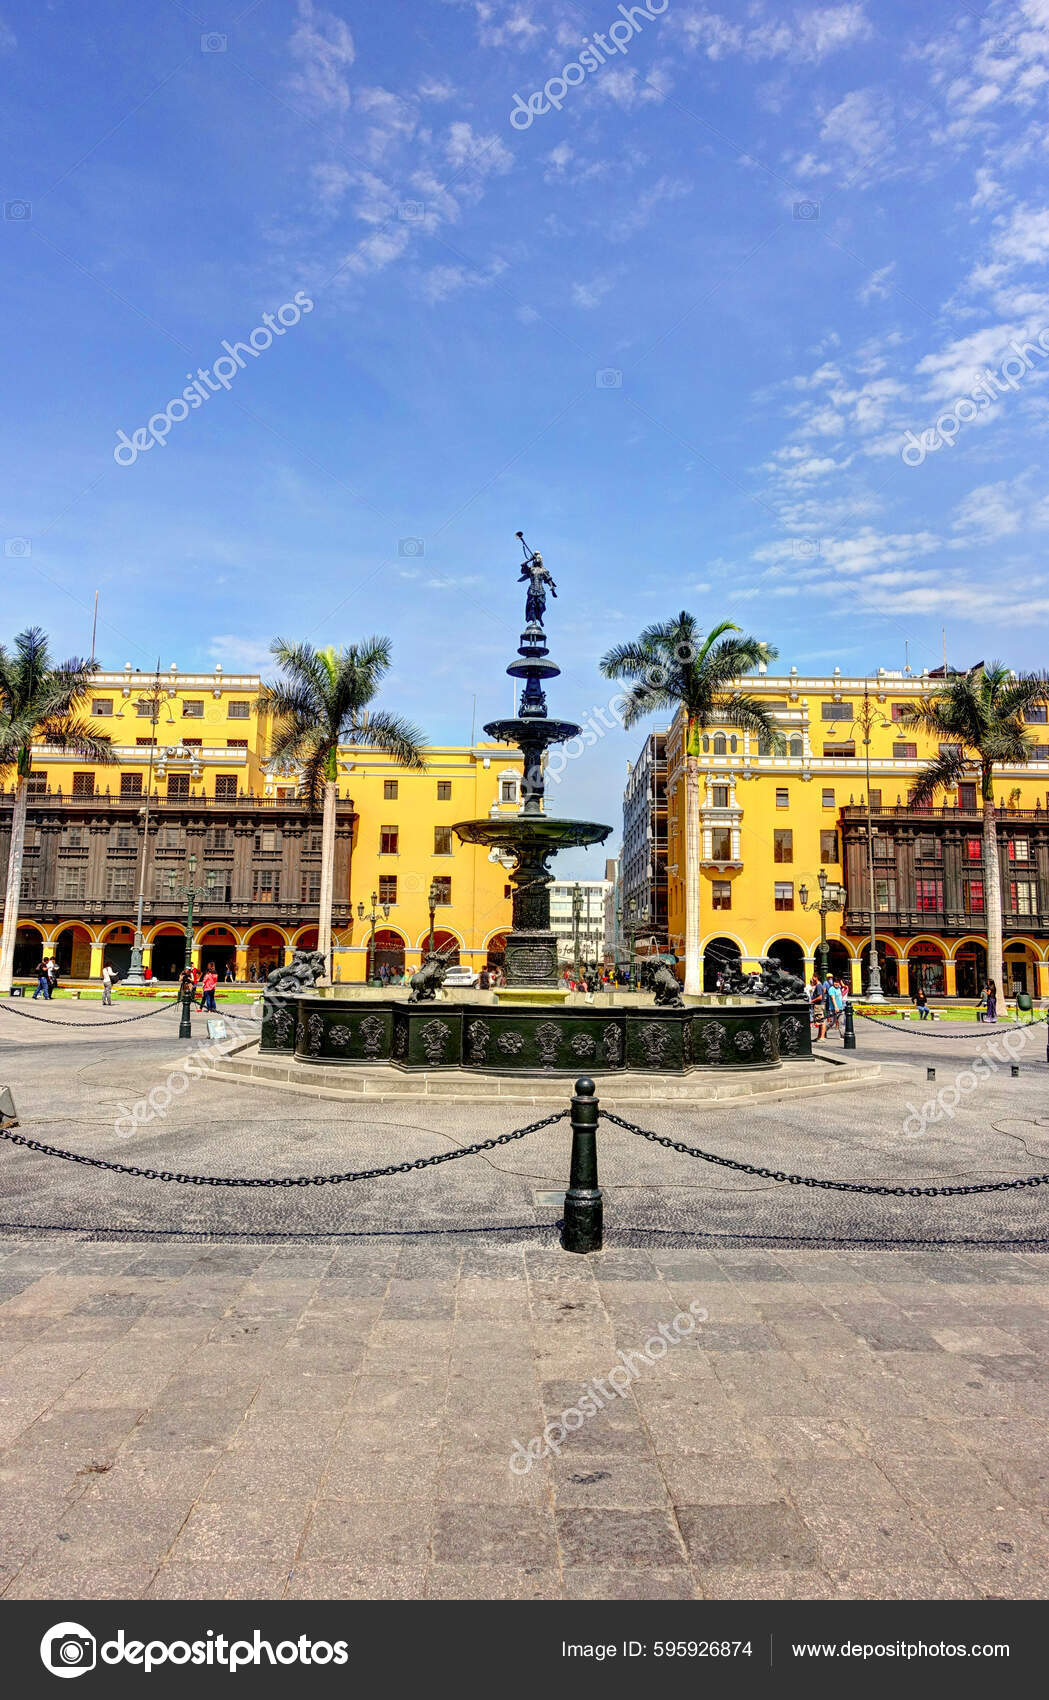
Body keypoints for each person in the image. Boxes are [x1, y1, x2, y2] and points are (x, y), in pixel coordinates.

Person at [809, 974, 827, 1042]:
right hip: (819, 1005)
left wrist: (812, 1001)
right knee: (819, 1021)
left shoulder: (819, 986)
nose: (812, 978)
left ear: (816, 977)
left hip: (819, 1005)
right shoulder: (819, 985)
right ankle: (819, 1036)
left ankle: (822, 1037)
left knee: (821, 1021)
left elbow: (820, 997)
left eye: (813, 977)